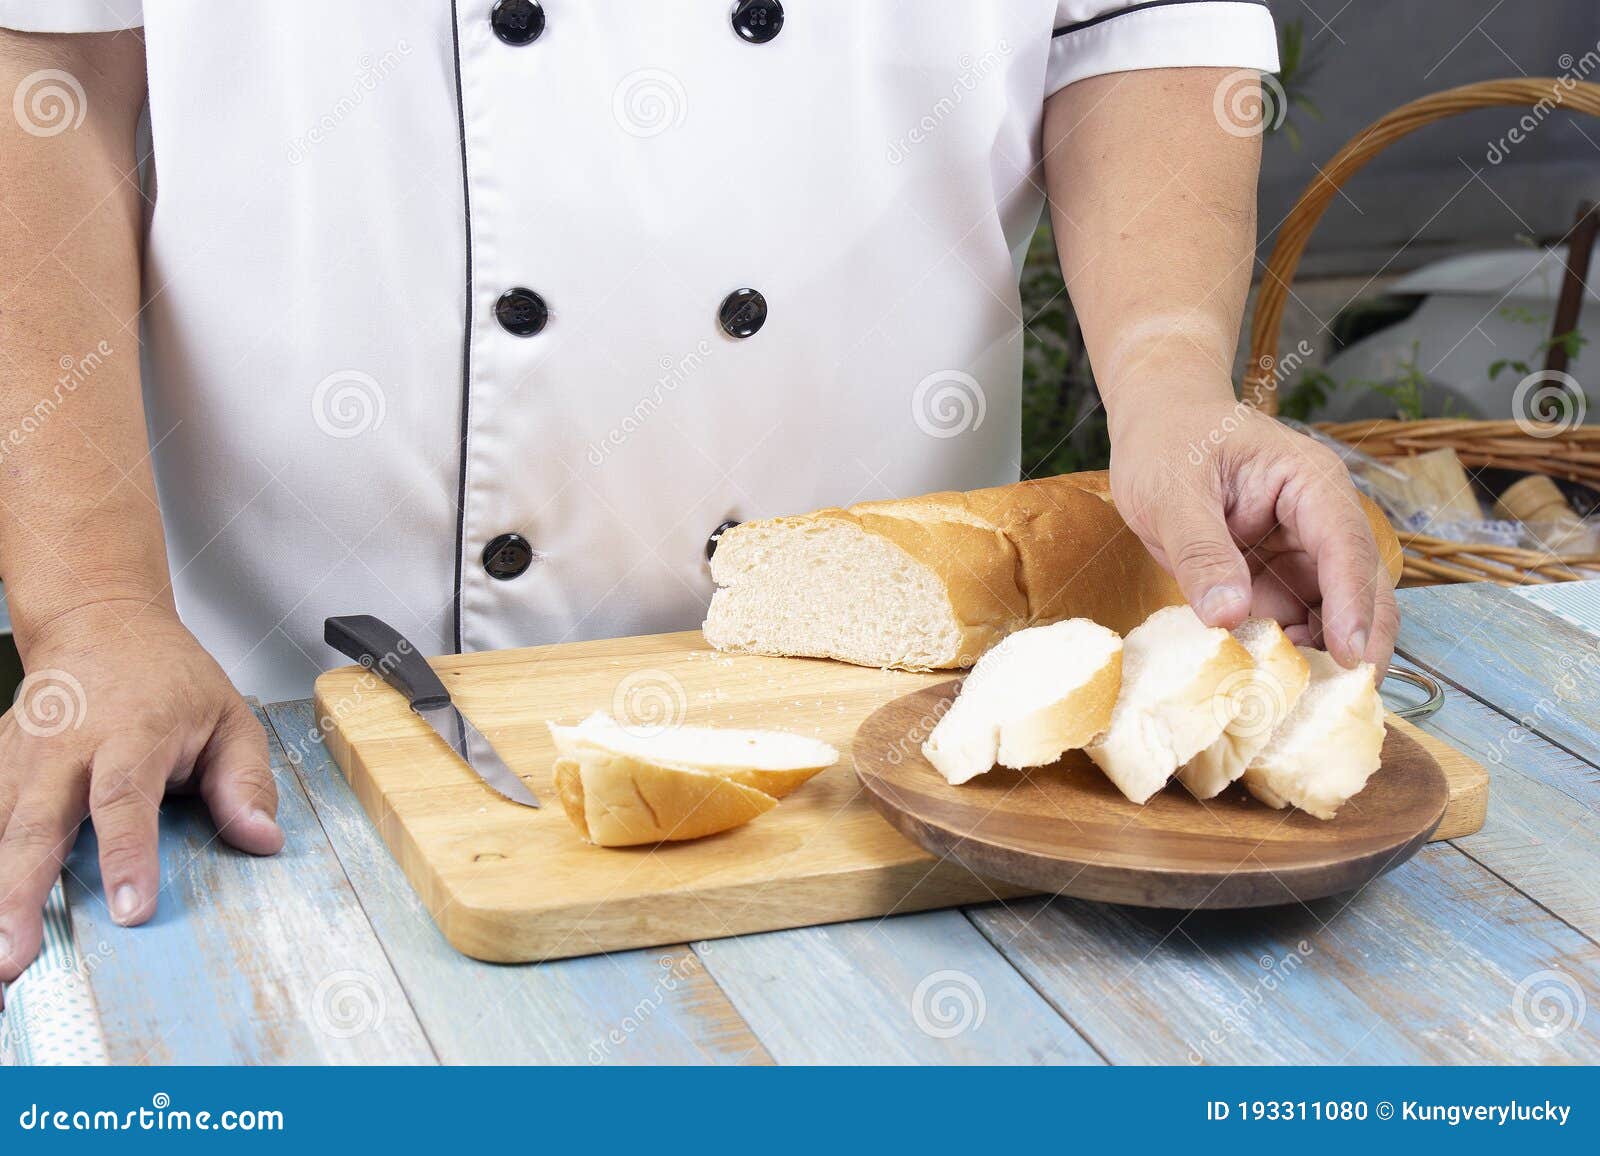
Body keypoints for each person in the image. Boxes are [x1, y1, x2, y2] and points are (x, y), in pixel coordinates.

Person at [0, 1, 1397, 981]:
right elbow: (47, 75)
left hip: (890, 765)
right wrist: (96, 604)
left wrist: (1169, 389)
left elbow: (1133, 32)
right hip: (279, 757)